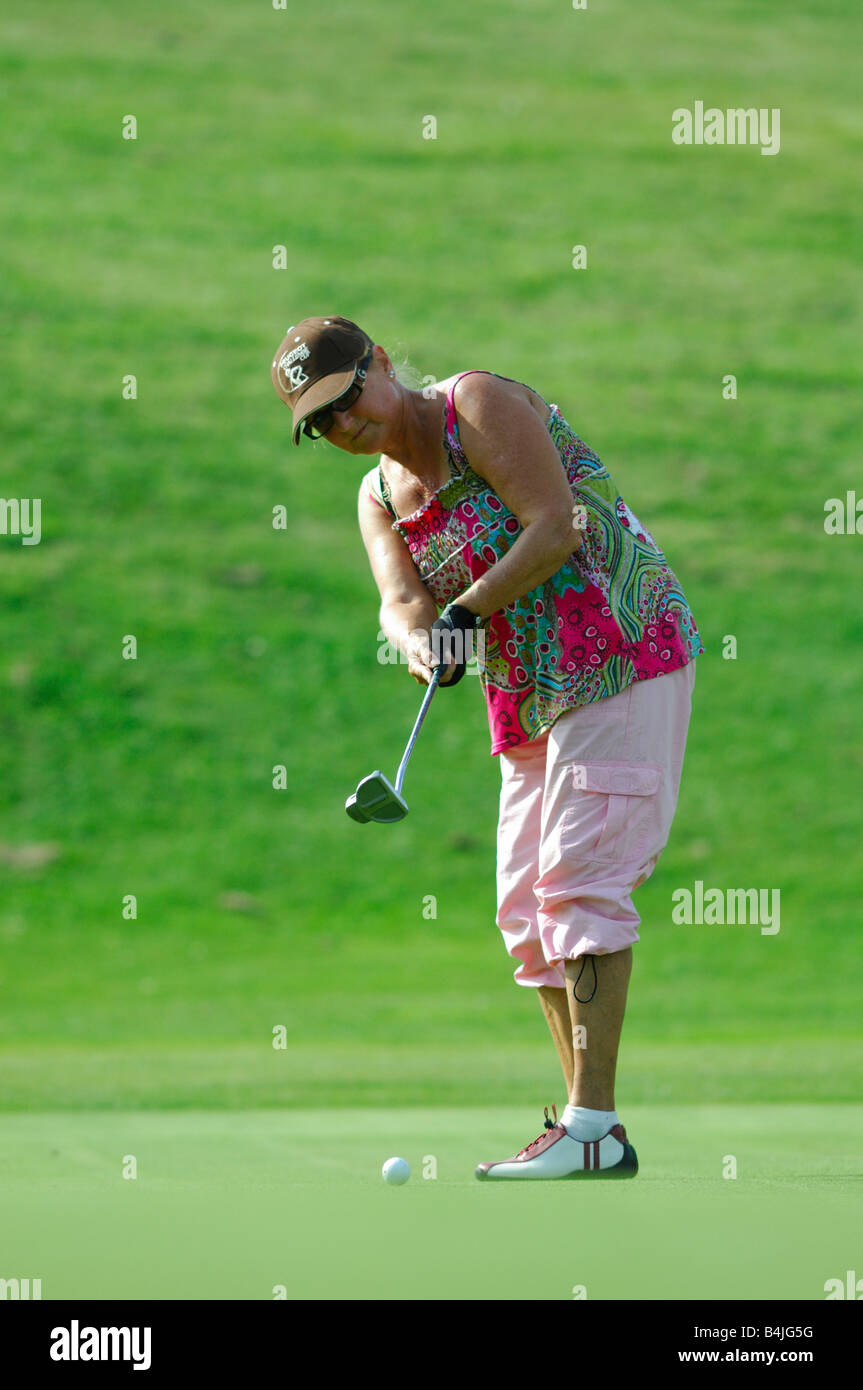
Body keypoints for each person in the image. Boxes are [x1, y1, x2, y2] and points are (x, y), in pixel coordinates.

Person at [271, 315, 703, 1180]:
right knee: (524, 915)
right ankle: (589, 1129)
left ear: (380, 364)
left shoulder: (477, 405)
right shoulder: (379, 496)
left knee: (580, 886)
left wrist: (465, 611)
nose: (341, 426)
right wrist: (422, 642)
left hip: (618, 655)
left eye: (345, 399)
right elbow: (398, 604)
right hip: (528, 695)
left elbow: (555, 525)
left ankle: (591, 1125)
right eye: (319, 423)